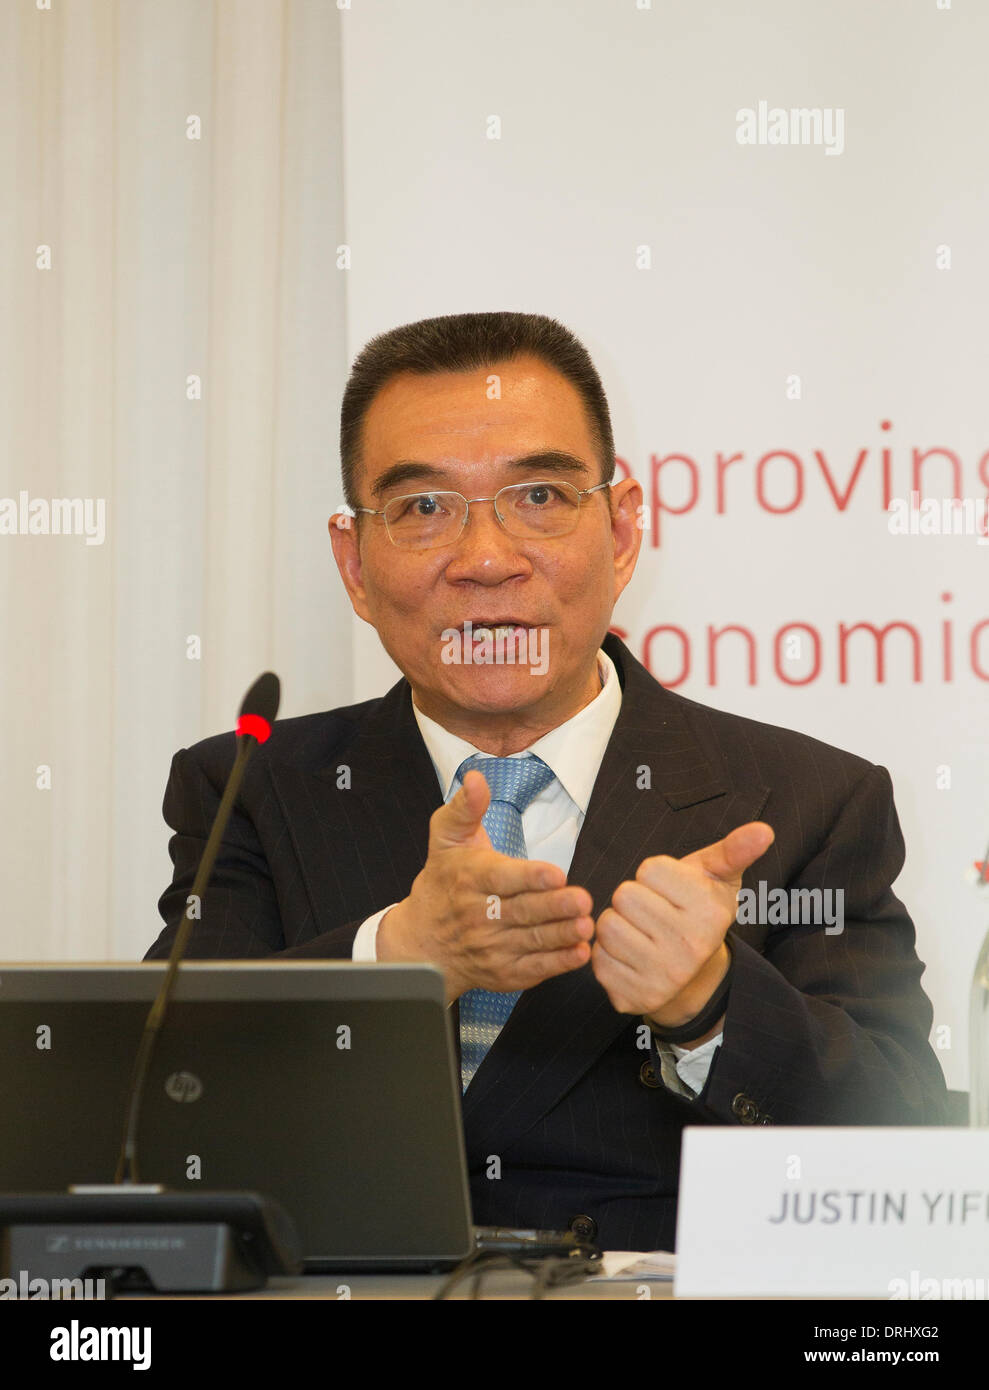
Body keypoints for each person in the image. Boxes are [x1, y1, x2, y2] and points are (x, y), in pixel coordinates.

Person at [146, 311, 948, 1252]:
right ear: (354, 565)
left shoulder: (804, 801)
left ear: (620, 532)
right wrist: (397, 959)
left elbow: (906, 1153)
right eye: (423, 508)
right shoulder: (253, 787)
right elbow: (160, 1116)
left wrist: (712, 1005)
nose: (486, 560)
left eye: (538, 495)